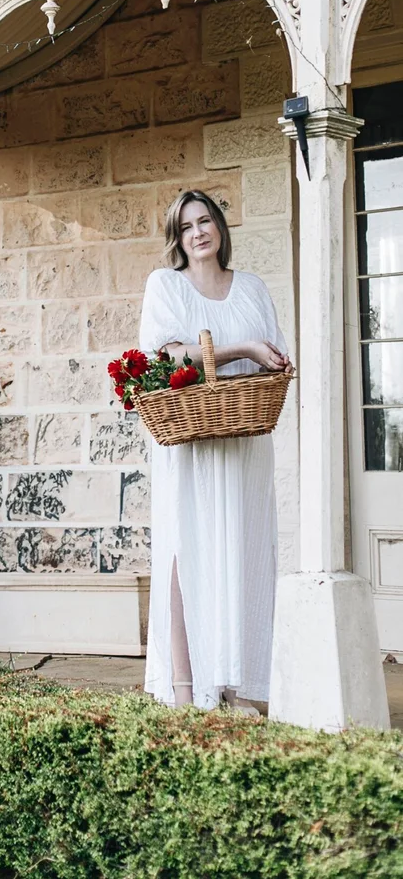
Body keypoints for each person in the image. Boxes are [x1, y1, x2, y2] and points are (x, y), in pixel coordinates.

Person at [138, 189, 291, 713]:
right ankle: (186, 685)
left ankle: (238, 684)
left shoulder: (251, 288)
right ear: (177, 239)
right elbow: (167, 353)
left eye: (206, 221)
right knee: (188, 553)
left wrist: (269, 358)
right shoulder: (167, 286)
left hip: (245, 441)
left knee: (243, 553)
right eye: (186, 227)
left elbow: (273, 351)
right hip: (192, 445)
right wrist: (243, 350)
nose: (198, 232)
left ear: (221, 228)